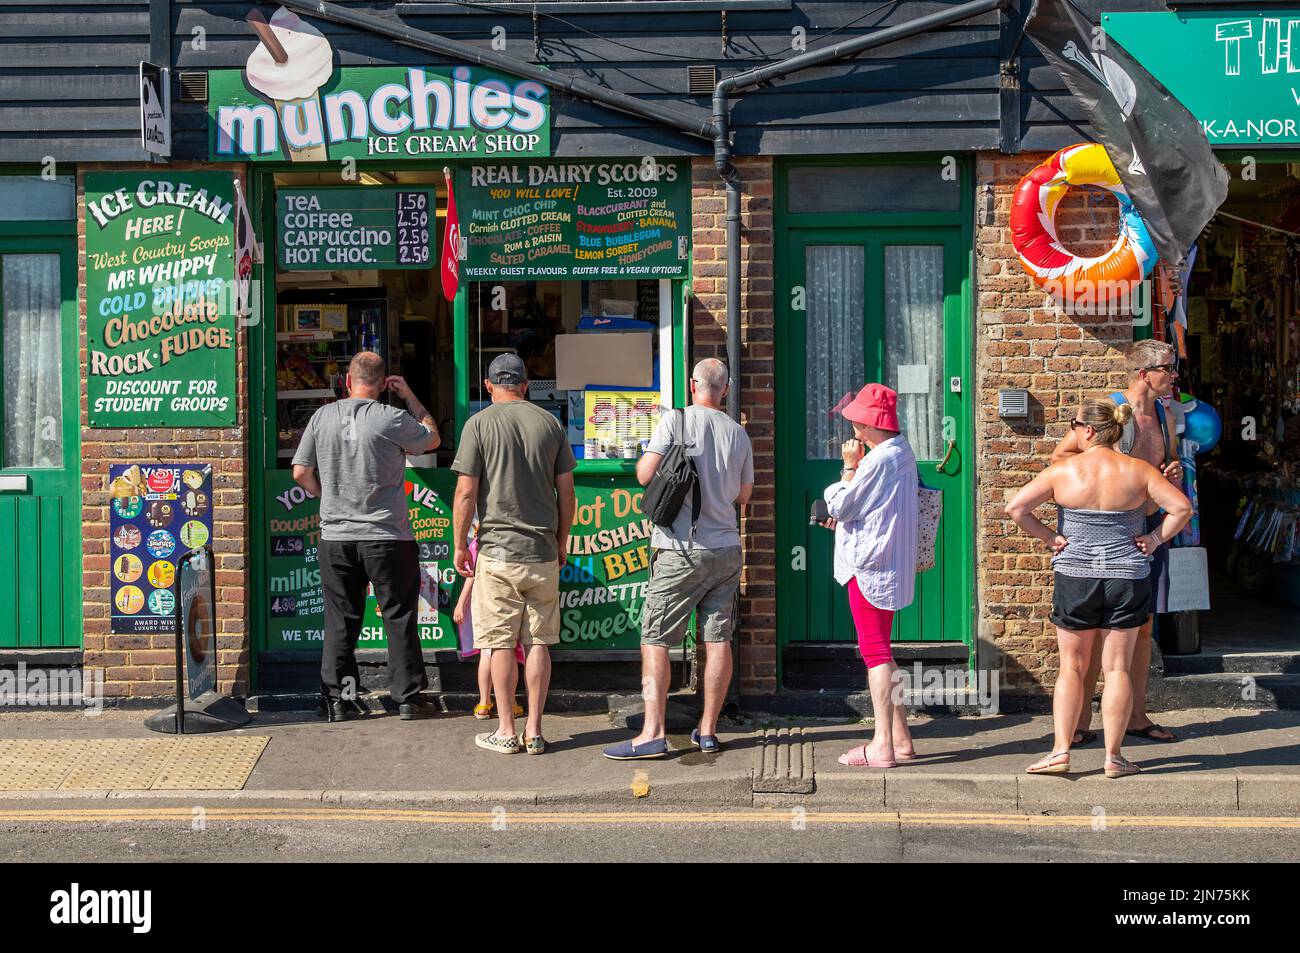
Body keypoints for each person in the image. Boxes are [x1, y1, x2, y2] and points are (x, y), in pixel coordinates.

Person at [1008, 398, 1192, 778]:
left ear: (1089, 431)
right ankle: (1114, 757)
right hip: (1127, 577)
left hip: (1076, 577)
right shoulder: (1138, 471)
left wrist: (1049, 537)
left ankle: (1060, 751)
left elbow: (1016, 508)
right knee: (1118, 668)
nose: (1073, 431)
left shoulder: (1065, 470)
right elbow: (1182, 509)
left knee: (1072, 667)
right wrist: (1155, 539)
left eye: (1075, 425)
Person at [602, 358, 753, 760]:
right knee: (717, 640)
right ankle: (707, 732)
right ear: (726, 389)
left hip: (679, 551)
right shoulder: (739, 433)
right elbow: (744, 495)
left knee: (655, 640)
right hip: (725, 551)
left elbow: (644, 474)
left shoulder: (676, 421)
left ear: (692, 385)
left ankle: (652, 733)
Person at [291, 351, 441, 722]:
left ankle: (339, 699)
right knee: (398, 615)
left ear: (347, 380)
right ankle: (407, 699)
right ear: (383, 383)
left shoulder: (322, 416)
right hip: (387, 535)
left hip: (337, 536)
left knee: (341, 618)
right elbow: (432, 438)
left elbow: (299, 471)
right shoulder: (392, 417)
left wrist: (323, 496)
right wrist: (409, 396)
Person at [1050, 339, 1186, 745]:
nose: (1174, 374)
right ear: (1145, 373)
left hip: (1145, 536)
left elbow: (1165, 469)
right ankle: (1078, 723)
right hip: (1100, 538)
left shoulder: (1165, 414)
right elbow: (1060, 458)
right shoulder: (1108, 412)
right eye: (1168, 367)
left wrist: (1169, 473)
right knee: (1090, 636)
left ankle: (1134, 716)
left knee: (1142, 630)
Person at [452, 353, 576, 755]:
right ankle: (535, 731)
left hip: (497, 553)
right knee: (539, 642)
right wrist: (561, 541)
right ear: (525, 384)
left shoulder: (479, 424)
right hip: (541, 551)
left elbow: (466, 493)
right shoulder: (550, 424)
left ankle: (506, 730)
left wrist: (458, 545)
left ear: (488, 386)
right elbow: (567, 493)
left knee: (502, 643)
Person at [821, 384, 919, 769]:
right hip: (888, 562)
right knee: (883, 653)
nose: (854, 428)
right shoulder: (902, 452)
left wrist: (848, 468)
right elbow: (873, 511)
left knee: (875, 654)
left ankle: (881, 747)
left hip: (870, 567)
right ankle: (901, 739)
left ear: (869, 422)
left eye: (859, 421)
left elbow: (843, 504)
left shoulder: (878, 461)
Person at [452, 516, 525, 721]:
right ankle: (510, 702)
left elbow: (471, 575)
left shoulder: (479, 545)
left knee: (487, 653)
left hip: (483, 603)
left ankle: (484, 702)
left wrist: (461, 602)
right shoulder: (512, 541)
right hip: (509, 602)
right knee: (507, 651)